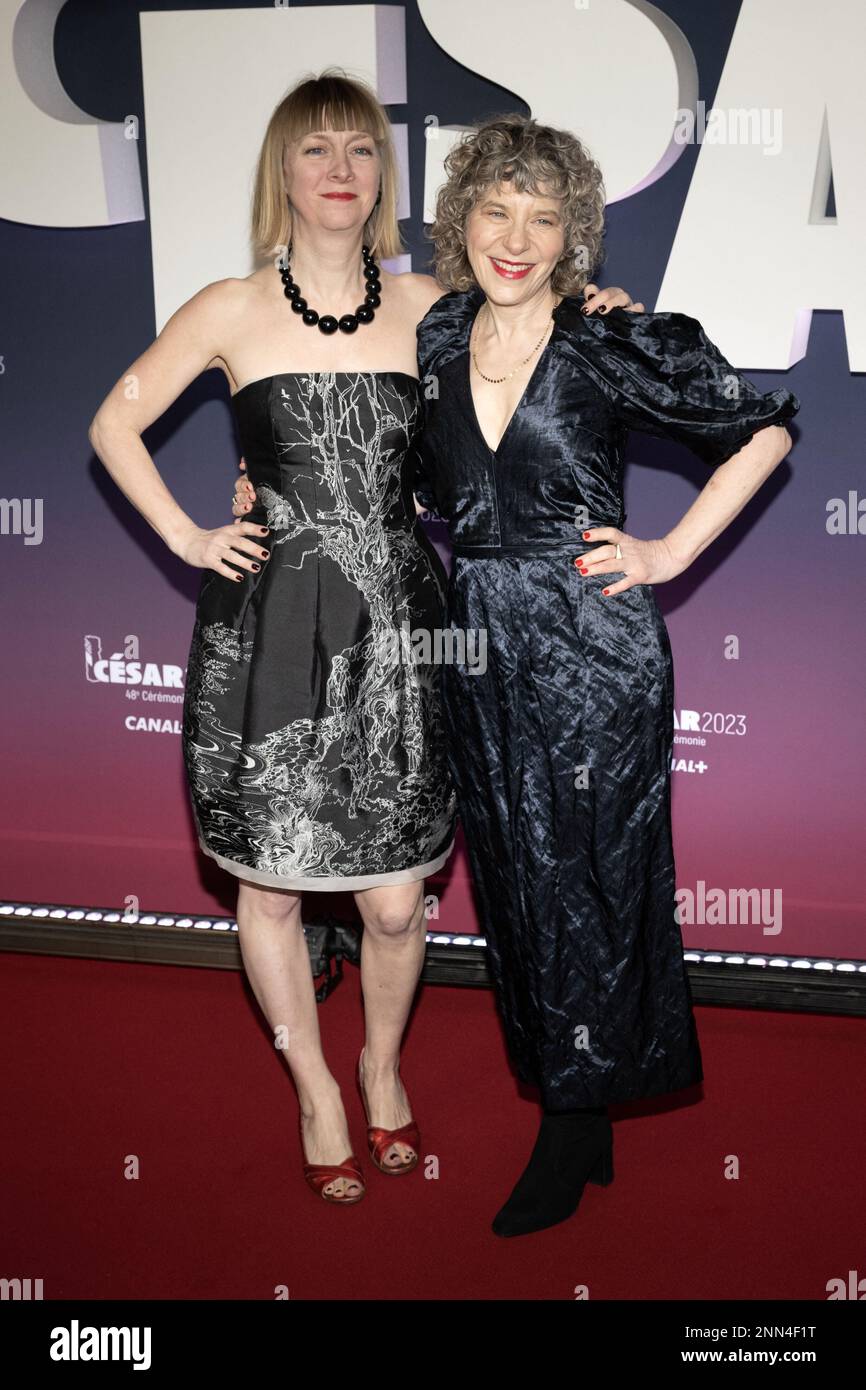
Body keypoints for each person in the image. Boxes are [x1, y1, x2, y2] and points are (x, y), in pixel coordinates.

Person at [238, 111, 799, 1239]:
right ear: (462, 219)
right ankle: (577, 1108)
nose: (516, 235)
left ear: (570, 238)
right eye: (496, 209)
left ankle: (568, 1118)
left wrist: (664, 554)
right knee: (512, 879)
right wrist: (272, 496)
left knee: (594, 877)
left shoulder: (605, 338)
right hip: (474, 637)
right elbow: (383, 467)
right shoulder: (437, 336)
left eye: (543, 218)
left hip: (593, 643)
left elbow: (763, 432)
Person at [89, 70, 638, 1209]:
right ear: (281, 173)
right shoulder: (226, 307)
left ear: (382, 178)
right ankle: (317, 1089)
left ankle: (382, 1061)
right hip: (273, 628)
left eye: (359, 151)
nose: (339, 170)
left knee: (395, 900)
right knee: (275, 887)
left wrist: (600, 315)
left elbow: (530, 340)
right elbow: (115, 420)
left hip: (400, 627)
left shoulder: (432, 305)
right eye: (314, 150)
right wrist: (193, 535)